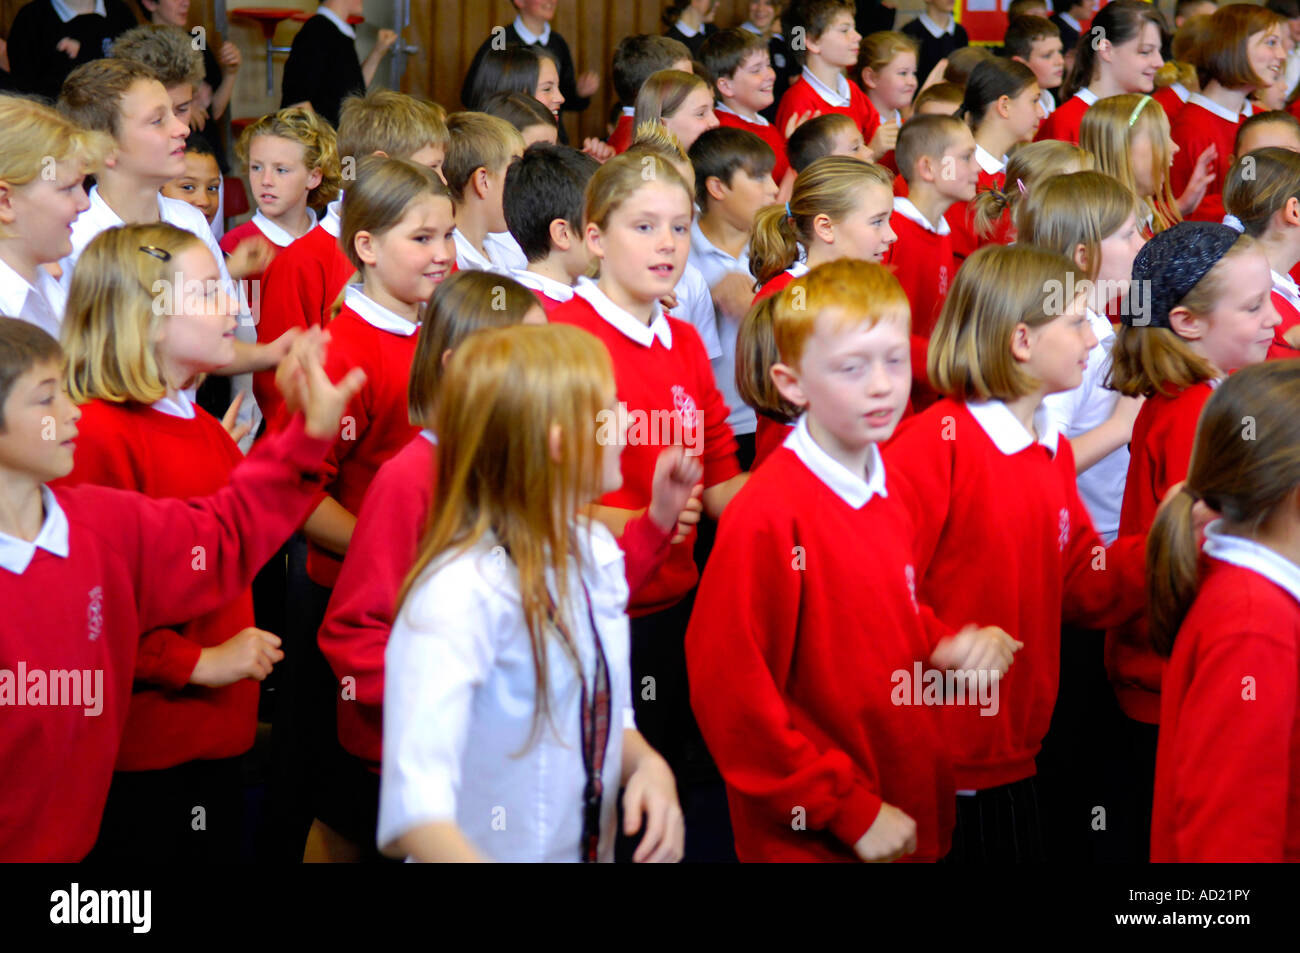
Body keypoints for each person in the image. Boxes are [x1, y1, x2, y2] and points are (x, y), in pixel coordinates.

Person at [378, 324, 687, 863]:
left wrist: (647, 766)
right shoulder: (458, 593)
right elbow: (416, 813)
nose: (628, 421)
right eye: (610, 411)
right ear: (558, 442)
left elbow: (602, 711)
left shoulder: (595, 555)